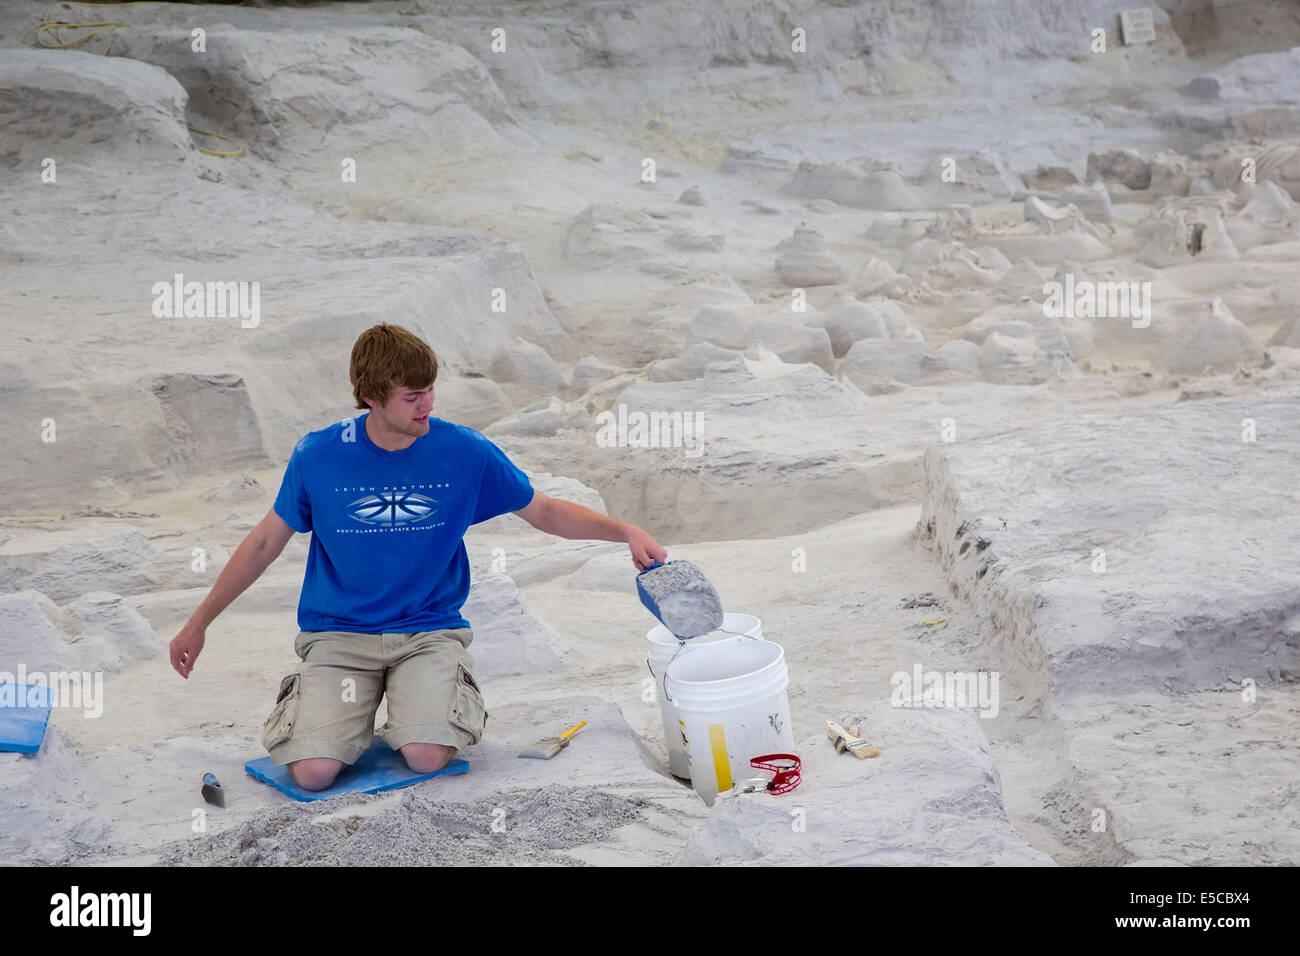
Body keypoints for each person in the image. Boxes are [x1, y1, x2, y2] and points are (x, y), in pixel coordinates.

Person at [169, 323, 666, 790]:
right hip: (340, 635)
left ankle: (420, 707)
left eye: (429, 390)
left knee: (426, 754)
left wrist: (623, 531)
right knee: (314, 773)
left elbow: (544, 511)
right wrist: (199, 623)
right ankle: (340, 717)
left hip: (428, 632)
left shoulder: (465, 451)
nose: (426, 404)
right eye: (411, 397)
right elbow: (263, 544)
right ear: (370, 398)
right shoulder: (317, 455)